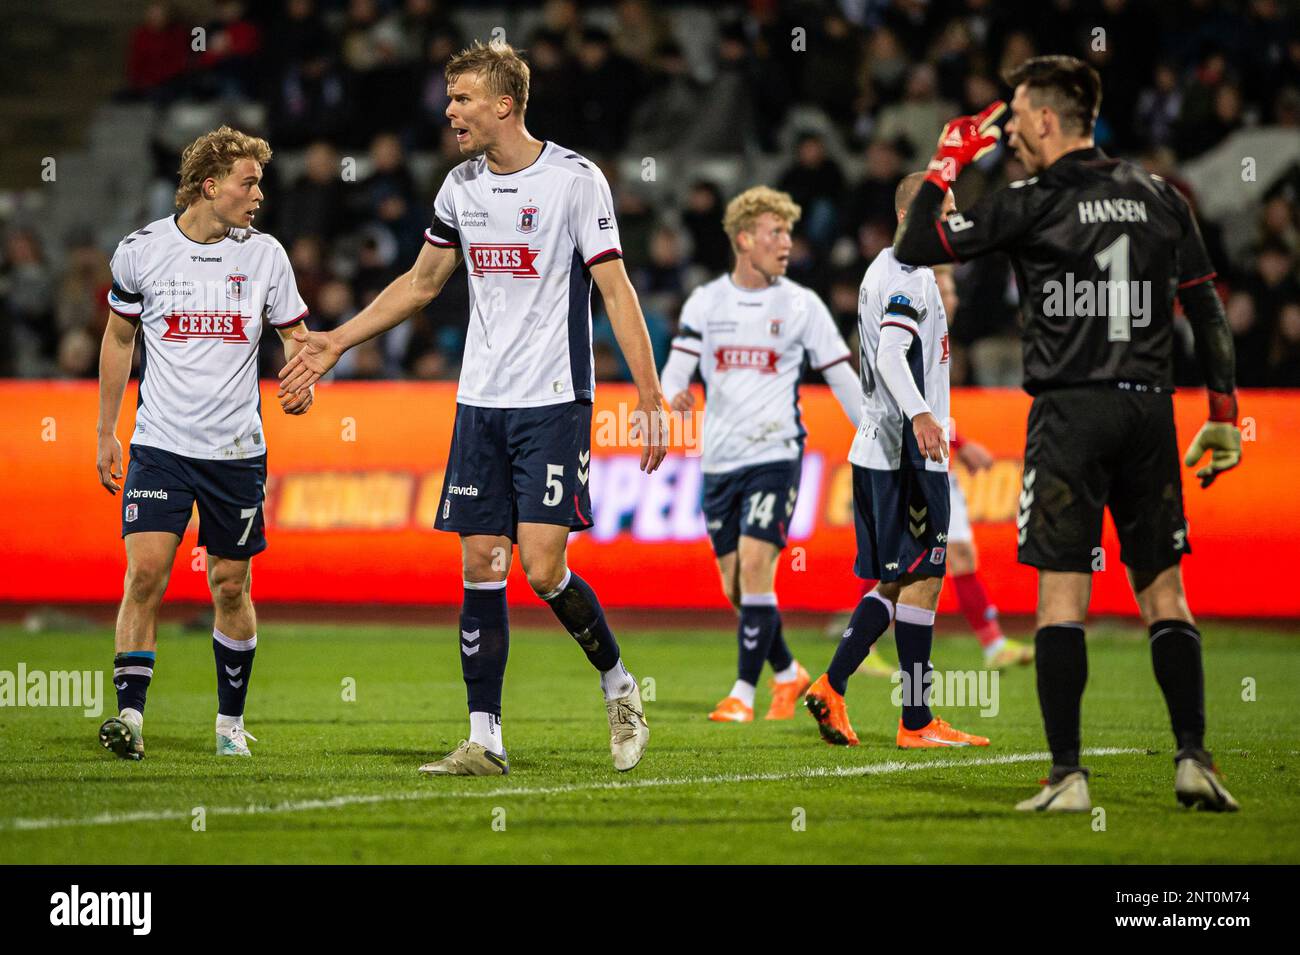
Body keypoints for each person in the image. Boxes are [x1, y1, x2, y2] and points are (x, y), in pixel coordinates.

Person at [278, 40, 668, 776]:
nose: (450, 110)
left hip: (554, 399)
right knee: (481, 561)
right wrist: (337, 340)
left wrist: (648, 392)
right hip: (479, 401)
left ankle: (619, 685)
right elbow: (422, 283)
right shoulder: (459, 186)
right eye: (449, 97)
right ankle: (485, 737)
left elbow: (615, 289)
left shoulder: (576, 181)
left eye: (461, 98)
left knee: (544, 567)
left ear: (504, 104)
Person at [895, 55, 1241, 812]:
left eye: (1016, 113)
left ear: (1047, 119)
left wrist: (949, 158)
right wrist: (1222, 412)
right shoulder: (1160, 195)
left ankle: (1068, 777)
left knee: (1061, 599)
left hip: (1069, 414)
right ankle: (1194, 758)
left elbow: (914, 245)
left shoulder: (1029, 199)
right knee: (1165, 590)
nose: (1009, 128)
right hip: (1150, 409)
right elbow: (1208, 309)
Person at [96, 126, 312, 760]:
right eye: (249, 183)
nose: (259, 195)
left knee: (229, 586)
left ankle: (228, 727)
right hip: (160, 446)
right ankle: (130, 720)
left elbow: (295, 337)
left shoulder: (266, 256)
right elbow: (117, 339)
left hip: (236, 452)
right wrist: (107, 430)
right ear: (211, 186)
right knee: (145, 576)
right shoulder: (140, 252)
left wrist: (301, 382)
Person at [658, 186, 861, 723]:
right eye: (776, 232)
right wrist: (670, 394)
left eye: (789, 233)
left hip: (776, 451)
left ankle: (742, 693)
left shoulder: (801, 304)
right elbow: (676, 370)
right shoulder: (706, 301)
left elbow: (842, 379)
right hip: (719, 460)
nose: (787, 243)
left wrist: (876, 434)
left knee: (754, 566)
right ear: (744, 238)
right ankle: (788, 671)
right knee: (736, 585)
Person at [803, 173, 991, 750]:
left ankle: (833, 687)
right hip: (903, 454)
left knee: (899, 580)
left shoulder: (884, 269)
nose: (955, 222)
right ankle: (915, 722)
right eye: (948, 211)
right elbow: (888, 354)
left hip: (879, 450)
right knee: (926, 578)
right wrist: (922, 416)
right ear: (918, 217)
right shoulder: (911, 276)